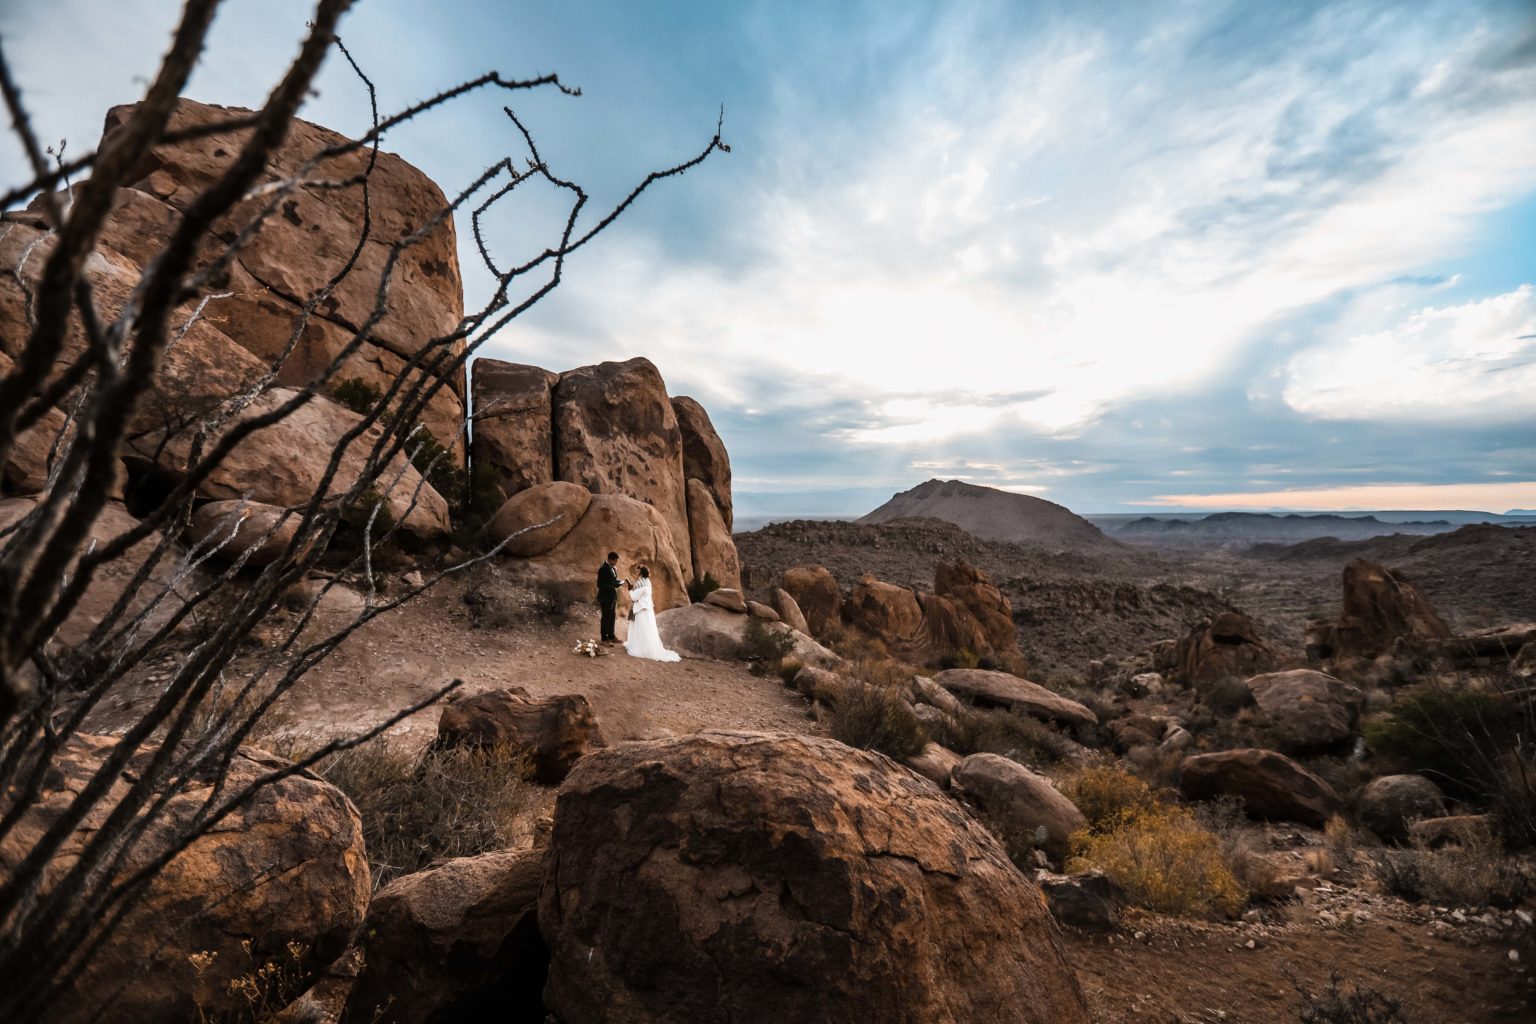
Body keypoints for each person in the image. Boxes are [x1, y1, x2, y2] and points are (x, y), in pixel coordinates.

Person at [623, 566, 680, 662]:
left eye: (638, 572)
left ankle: (640, 648)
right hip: (648, 610)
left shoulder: (640, 584)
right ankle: (644, 646)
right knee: (647, 630)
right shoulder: (647, 582)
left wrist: (629, 588)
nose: (637, 574)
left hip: (641, 610)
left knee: (640, 629)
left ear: (641, 574)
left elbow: (634, 597)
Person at [596, 552, 625, 644]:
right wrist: (613, 585)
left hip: (612, 597)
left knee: (612, 616)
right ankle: (604, 638)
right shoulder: (603, 568)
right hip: (605, 597)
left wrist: (619, 582)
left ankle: (611, 636)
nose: (616, 563)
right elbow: (600, 584)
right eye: (616, 561)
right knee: (606, 617)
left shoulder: (612, 568)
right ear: (611, 560)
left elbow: (612, 581)